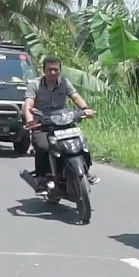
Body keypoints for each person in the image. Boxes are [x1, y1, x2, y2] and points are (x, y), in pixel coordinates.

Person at [24, 56, 98, 190]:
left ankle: (85, 171)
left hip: (63, 121)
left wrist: (85, 109)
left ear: (60, 71)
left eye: (55, 70)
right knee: (43, 146)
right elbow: (28, 103)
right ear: (44, 71)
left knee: (80, 143)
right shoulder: (35, 84)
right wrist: (30, 120)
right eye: (49, 70)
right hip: (43, 123)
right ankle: (43, 178)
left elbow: (75, 96)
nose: (53, 73)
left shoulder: (64, 82)